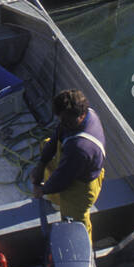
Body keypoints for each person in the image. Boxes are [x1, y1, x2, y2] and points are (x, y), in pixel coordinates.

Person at [32, 89, 106, 241]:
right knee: (45, 145)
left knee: (75, 223)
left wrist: (43, 189)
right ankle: (57, 201)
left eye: (67, 121)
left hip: (81, 186)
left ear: (82, 115)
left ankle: (84, 253)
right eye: (61, 120)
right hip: (72, 163)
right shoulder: (80, 116)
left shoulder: (81, 148)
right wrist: (41, 163)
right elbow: (57, 135)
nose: (63, 124)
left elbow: (62, 179)